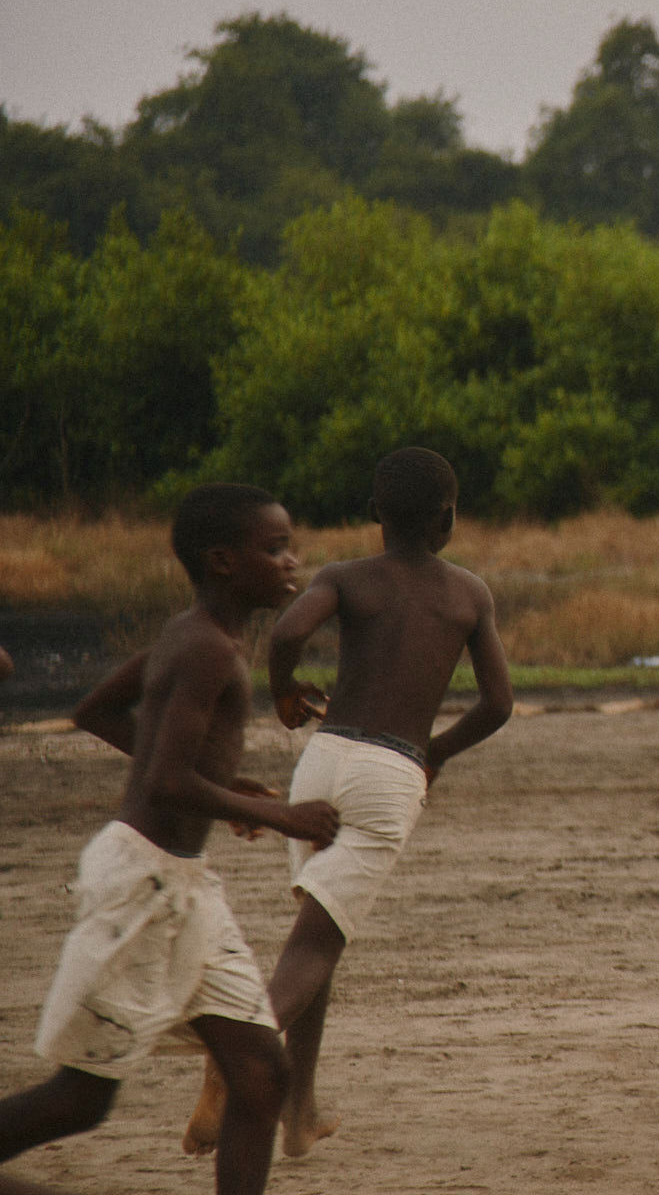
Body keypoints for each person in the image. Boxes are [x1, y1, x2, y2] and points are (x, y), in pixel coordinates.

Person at [0, 484, 340, 1195]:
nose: (291, 561)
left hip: (183, 885)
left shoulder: (190, 638)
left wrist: (228, 784)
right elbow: (163, 783)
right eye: (275, 548)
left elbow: (97, 711)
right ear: (223, 561)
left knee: (260, 1071)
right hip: (143, 885)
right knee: (84, 1098)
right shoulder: (205, 649)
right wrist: (283, 816)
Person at [182, 448, 512, 1159]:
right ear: (449, 517)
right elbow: (498, 704)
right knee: (317, 942)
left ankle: (298, 1110)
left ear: (373, 514)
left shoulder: (344, 577)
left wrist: (283, 688)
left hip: (323, 762)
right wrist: (438, 752)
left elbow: (291, 632)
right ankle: (232, 1061)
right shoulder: (468, 594)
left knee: (318, 927)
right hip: (390, 770)